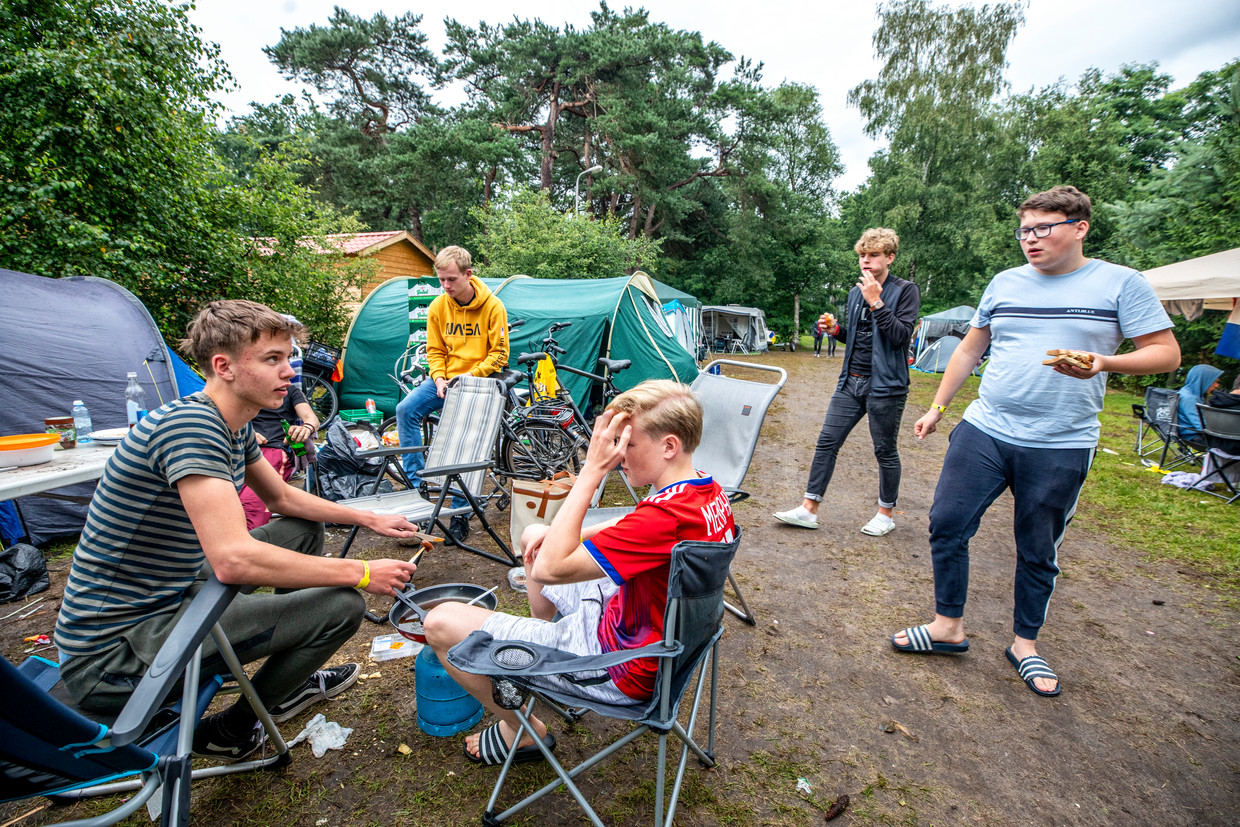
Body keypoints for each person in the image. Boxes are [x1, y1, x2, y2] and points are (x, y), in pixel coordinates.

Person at [54, 300, 421, 759]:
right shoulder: (192, 427)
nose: (289, 371)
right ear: (223, 367)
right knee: (343, 606)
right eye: (272, 359)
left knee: (303, 527)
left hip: (177, 591)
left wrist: (369, 517)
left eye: (288, 357)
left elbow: (282, 499)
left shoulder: (232, 423)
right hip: (116, 653)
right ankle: (232, 730)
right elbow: (232, 559)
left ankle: (288, 676)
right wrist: (363, 573)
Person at [892, 185, 1180, 698]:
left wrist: (1104, 362)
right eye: (1024, 230)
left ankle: (1025, 644)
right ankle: (947, 626)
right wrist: (938, 408)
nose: (1030, 238)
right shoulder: (1004, 283)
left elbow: (1165, 353)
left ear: (1079, 228)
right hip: (986, 428)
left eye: (1043, 228)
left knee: (1037, 547)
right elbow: (969, 351)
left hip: (1061, 441)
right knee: (947, 522)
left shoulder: (1121, 283)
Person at [424, 380, 736, 766]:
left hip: (617, 666)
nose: (618, 455)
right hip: (650, 636)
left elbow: (550, 569)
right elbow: (634, 523)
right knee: (536, 535)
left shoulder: (663, 518)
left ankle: (523, 730)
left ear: (668, 446)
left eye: (628, 444)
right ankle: (537, 651)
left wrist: (591, 470)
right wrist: (559, 533)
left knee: (439, 623)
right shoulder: (705, 491)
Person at [774, 228, 921, 536]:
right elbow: (858, 337)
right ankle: (809, 509)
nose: (866, 260)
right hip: (850, 383)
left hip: (886, 386)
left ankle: (885, 514)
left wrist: (876, 302)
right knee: (827, 441)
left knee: (885, 450)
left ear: (890, 257)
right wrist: (836, 331)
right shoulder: (855, 293)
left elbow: (899, 337)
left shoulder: (905, 290)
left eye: (874, 255)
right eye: (862, 255)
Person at [395, 246, 509, 540]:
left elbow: (499, 354)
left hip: (478, 381)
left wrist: (469, 376)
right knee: (405, 410)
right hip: (445, 380)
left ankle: (460, 512)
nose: (445, 286)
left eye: (451, 279)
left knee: (462, 440)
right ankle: (416, 486)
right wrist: (439, 378)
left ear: (468, 274)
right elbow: (434, 351)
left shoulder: (493, 307)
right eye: (441, 280)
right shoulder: (438, 306)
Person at [238, 364, 319, 530]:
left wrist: (306, 428)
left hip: (273, 449)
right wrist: (245, 433)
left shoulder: (291, 392)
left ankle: (248, 538)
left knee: (250, 504)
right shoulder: (246, 390)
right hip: (241, 447)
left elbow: (311, 418)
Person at [1176, 364, 1223, 442]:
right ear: (1203, 380)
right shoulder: (1189, 398)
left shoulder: (1193, 394)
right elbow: (1202, 426)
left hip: (1197, 434)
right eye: (1214, 381)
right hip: (1195, 437)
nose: (1217, 385)